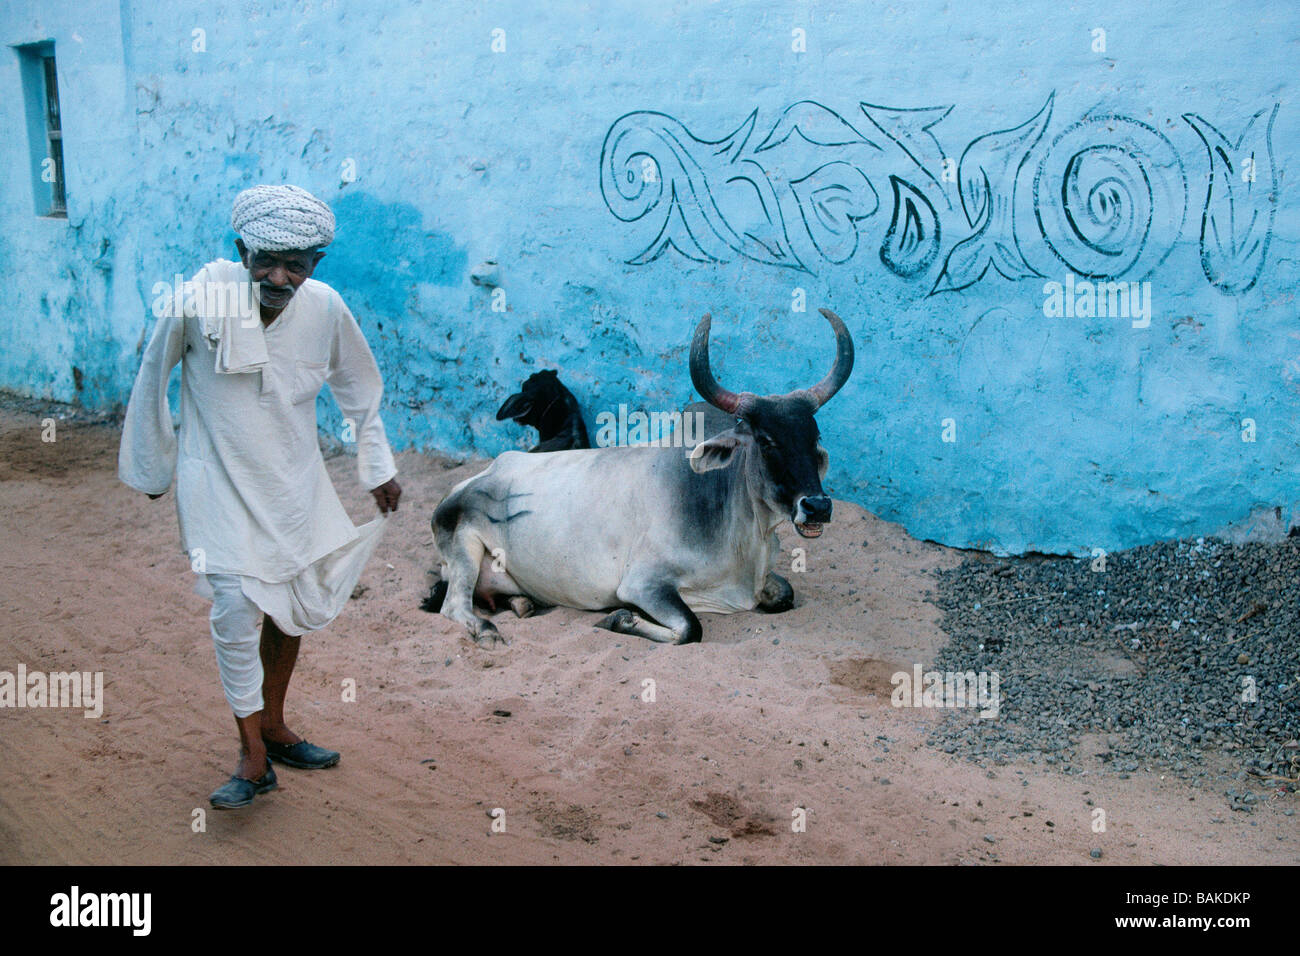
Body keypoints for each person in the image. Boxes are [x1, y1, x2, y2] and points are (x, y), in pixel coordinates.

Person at [119, 184, 402, 809]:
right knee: (233, 609)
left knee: (290, 606)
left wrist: (375, 464)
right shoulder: (197, 302)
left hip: (292, 483)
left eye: (296, 263)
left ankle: (273, 726)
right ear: (242, 250)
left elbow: (360, 384)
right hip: (214, 480)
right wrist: (151, 467)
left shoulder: (325, 307)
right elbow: (150, 374)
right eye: (266, 260)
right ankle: (251, 755)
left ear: (316, 264)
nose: (279, 276)